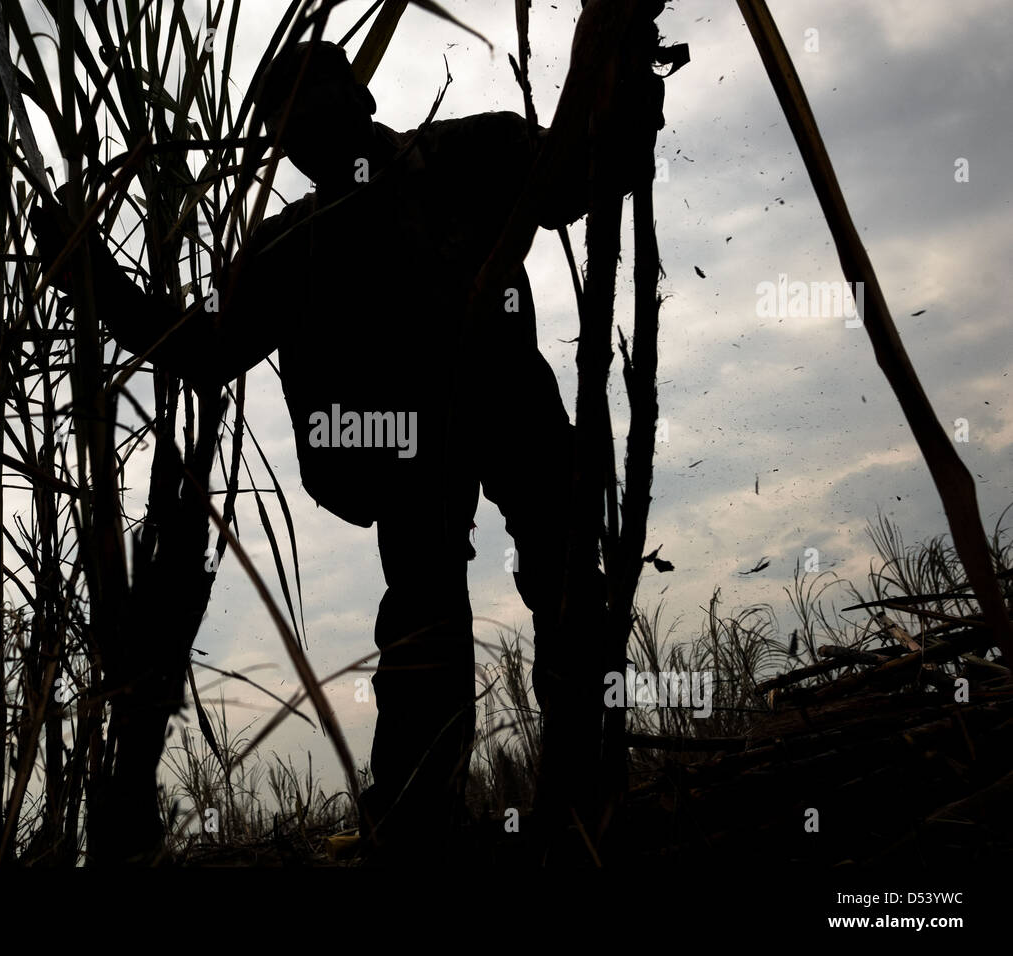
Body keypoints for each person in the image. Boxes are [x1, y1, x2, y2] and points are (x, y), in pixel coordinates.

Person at [34, 37, 663, 860]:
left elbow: (584, 180)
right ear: (284, 147)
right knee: (425, 634)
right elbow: (207, 351)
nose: (301, 128)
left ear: (359, 98)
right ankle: (414, 835)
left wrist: (628, 92)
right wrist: (86, 272)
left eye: (313, 100)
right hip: (407, 459)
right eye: (284, 121)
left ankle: (586, 801)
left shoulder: (471, 150)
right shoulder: (290, 244)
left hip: (515, 412)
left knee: (568, 581)